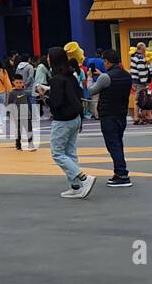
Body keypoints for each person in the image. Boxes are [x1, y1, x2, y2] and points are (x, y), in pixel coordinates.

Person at [42, 47, 94, 199]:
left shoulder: (56, 79)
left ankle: (83, 178)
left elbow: (56, 103)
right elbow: (77, 96)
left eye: (49, 56)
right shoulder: (71, 75)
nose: (47, 59)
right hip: (75, 118)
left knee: (57, 153)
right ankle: (75, 186)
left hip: (62, 120)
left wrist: (45, 96)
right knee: (70, 152)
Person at [88, 49, 132, 187]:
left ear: (107, 61)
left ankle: (122, 174)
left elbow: (91, 90)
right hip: (121, 113)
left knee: (113, 144)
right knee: (118, 143)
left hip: (108, 114)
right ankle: (120, 171)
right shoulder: (126, 75)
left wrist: (90, 77)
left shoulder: (105, 77)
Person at [9, 71, 34, 150]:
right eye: (17, 83)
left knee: (29, 130)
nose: (19, 84)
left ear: (23, 83)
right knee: (19, 131)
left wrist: (31, 113)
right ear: (13, 83)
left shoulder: (25, 93)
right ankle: (18, 144)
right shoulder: (12, 93)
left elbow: (29, 103)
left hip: (27, 114)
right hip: (17, 116)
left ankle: (30, 144)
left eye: (20, 82)